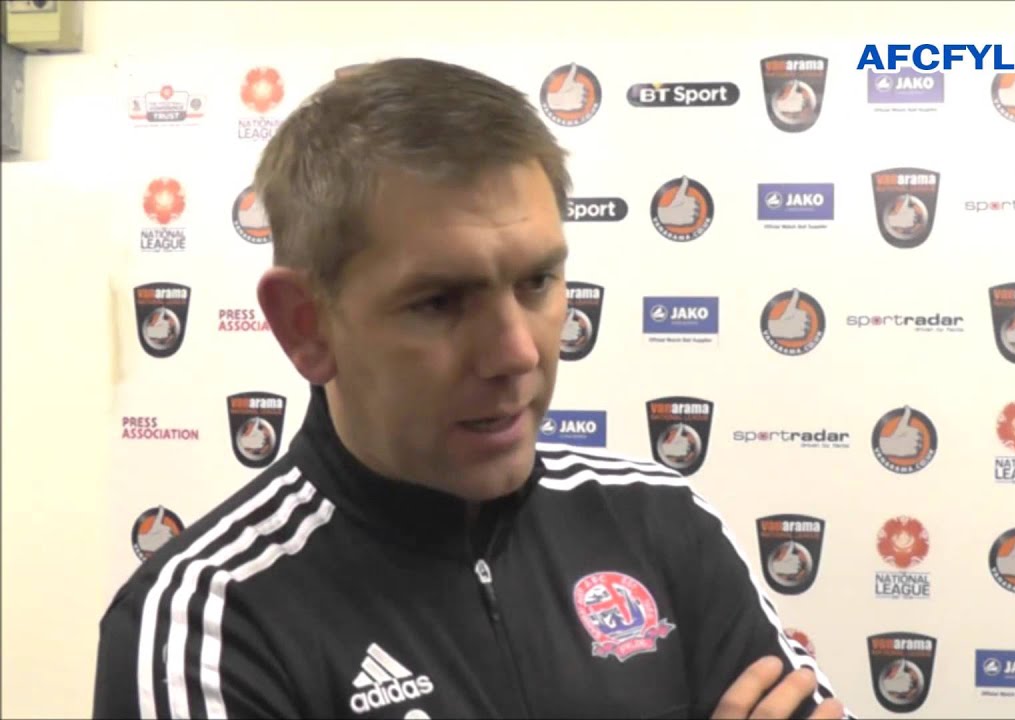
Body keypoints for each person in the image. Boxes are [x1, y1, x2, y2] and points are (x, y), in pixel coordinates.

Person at [92, 58, 851, 720]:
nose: (517, 353)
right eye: (439, 301)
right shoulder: (211, 625)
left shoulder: (656, 519)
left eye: (538, 281)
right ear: (306, 326)